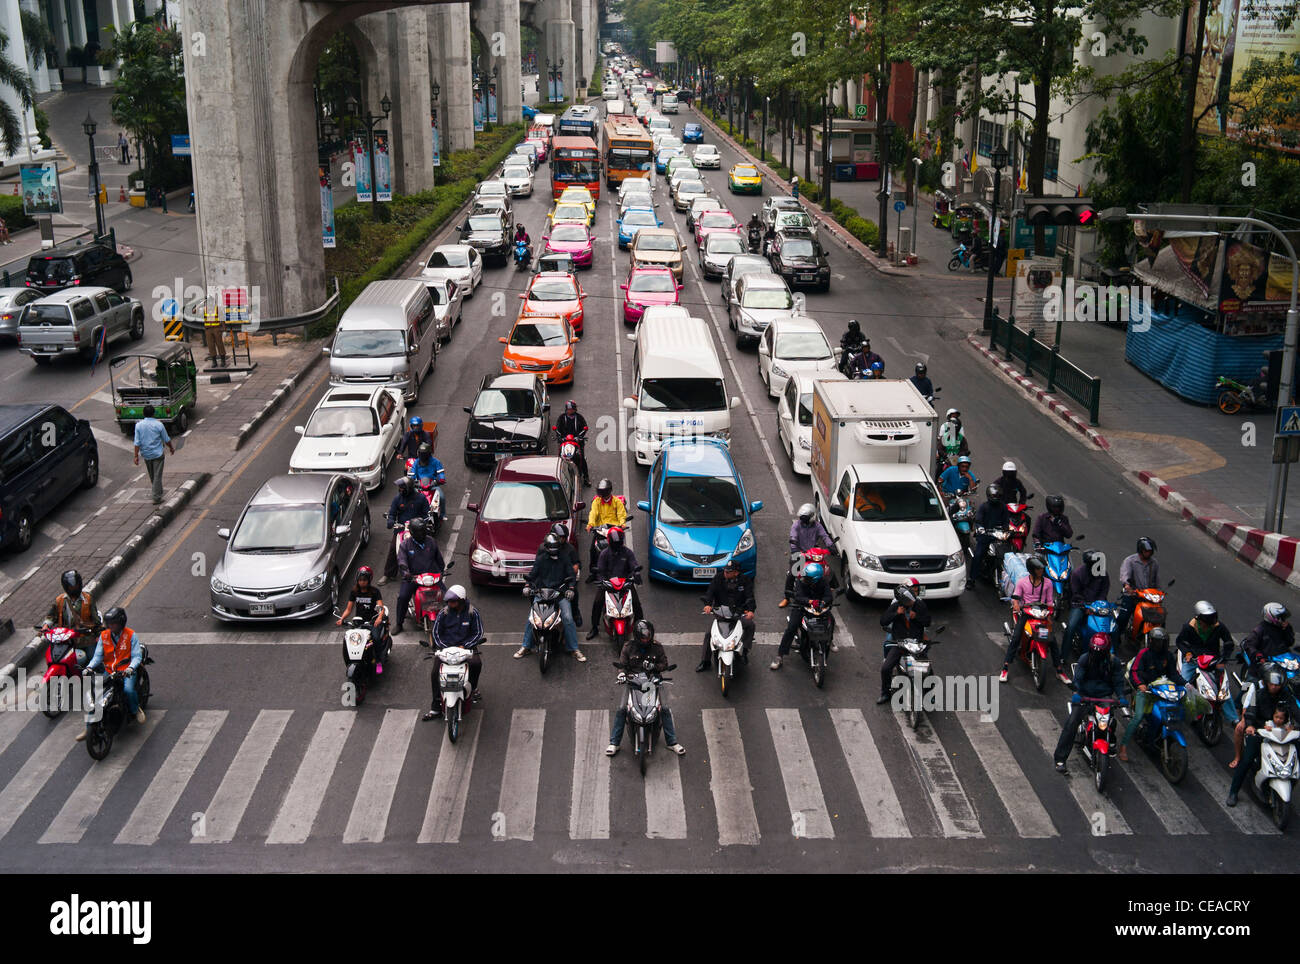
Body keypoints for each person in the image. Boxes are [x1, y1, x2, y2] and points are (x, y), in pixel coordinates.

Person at [607, 619, 684, 756]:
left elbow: (664, 664)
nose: (646, 639)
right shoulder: (628, 647)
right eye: (643, 637)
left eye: (648, 636)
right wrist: (622, 675)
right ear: (637, 636)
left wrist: (654, 667)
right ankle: (614, 743)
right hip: (633, 683)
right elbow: (622, 666)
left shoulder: (657, 647)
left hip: (652, 683)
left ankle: (672, 742)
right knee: (622, 709)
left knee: (664, 709)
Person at [1052, 633, 1127, 772]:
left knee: (1109, 720)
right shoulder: (1084, 659)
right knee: (1071, 723)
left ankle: (1110, 741)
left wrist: (1121, 696)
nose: (1096, 654)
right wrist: (1076, 693)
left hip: (1104, 696)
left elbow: (1118, 681)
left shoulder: (1114, 662)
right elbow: (1078, 680)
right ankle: (1060, 759)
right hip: (1085, 696)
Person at [1227, 666, 1300, 805]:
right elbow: (1250, 712)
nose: (1274, 687)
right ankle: (1233, 792)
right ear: (1266, 683)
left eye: (1277, 685)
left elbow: (1296, 712)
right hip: (1260, 732)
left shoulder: (1286, 696)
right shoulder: (1258, 694)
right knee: (1246, 760)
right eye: (1272, 684)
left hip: (1282, 734)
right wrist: (1250, 726)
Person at [74, 607, 144, 742]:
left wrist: (130, 668)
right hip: (110, 671)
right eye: (109, 623)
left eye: (114, 623)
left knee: (128, 690)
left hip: (126, 672)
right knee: (96, 697)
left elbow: (136, 656)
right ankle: (89, 726)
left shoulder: (131, 635)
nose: (111, 626)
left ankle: (135, 710)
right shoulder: (104, 635)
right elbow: (97, 656)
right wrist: (89, 667)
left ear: (121, 622)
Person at [515, 533, 585, 661]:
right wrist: (527, 586)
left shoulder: (564, 559)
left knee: (568, 618)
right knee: (532, 618)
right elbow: (533, 575)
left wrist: (570, 589)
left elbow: (571, 576)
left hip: (560, 594)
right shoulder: (541, 559)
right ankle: (526, 646)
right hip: (542, 593)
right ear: (546, 548)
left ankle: (574, 648)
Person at [1000, 555, 1067, 684]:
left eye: (1042, 569)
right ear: (1032, 569)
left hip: (1041, 614)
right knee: (1016, 638)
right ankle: (1005, 668)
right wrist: (1016, 606)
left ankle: (1059, 670)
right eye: (1039, 569)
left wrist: (1050, 616)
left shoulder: (1047, 583)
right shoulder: (1022, 582)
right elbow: (1016, 598)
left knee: (1052, 641)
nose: (1042, 571)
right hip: (1026, 613)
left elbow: (1049, 602)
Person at [1118, 626, 1179, 762]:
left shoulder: (1168, 656)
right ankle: (1123, 746)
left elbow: (1173, 674)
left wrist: (1185, 684)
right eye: (1157, 642)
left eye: (1162, 642)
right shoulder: (1144, 654)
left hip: (1162, 691)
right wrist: (1140, 685)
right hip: (1146, 691)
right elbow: (1134, 671)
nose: (1160, 645)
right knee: (1138, 716)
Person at [423, 585, 484, 720]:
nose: (450, 604)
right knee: (435, 673)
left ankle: (472, 689)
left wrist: (465, 646)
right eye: (449, 601)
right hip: (446, 650)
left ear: (462, 600)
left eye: (453, 601)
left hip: (466, 648)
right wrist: (444, 647)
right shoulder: (443, 613)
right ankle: (436, 706)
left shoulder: (472, 612)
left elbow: (478, 633)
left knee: (476, 664)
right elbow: (436, 633)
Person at [1175, 599, 1239, 726]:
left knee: (1223, 689)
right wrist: (1188, 653)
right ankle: (1178, 712)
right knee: (1183, 683)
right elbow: (1180, 641)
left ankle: (1233, 718)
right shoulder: (1189, 627)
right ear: (1199, 619)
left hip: (1214, 661)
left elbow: (1229, 643)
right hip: (1193, 660)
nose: (1208, 625)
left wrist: (1224, 659)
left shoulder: (1219, 626)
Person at [876, 584, 932, 703]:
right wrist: (896, 613)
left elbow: (927, 622)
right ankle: (885, 693)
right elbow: (883, 621)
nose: (911, 602)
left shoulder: (920, 605)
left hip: (916, 643)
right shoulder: (896, 606)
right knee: (886, 668)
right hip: (900, 644)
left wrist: (917, 617)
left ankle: (929, 694)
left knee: (927, 668)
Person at [773, 561, 834, 670]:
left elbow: (828, 596)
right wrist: (810, 601)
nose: (804, 578)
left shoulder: (823, 582)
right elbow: (798, 596)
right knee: (791, 628)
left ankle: (830, 642)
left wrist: (823, 602)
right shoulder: (802, 582)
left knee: (831, 621)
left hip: (818, 609)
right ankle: (780, 655)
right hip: (802, 607)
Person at [697, 558, 756, 671]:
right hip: (721, 614)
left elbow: (750, 597)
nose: (725, 573)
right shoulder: (718, 578)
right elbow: (710, 592)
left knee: (750, 625)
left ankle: (744, 652)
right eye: (725, 571)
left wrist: (750, 610)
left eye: (728, 572)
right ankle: (705, 661)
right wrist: (708, 604)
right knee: (709, 634)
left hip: (737, 614)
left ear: (736, 572)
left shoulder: (745, 580)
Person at [587, 526, 642, 638]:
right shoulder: (604, 554)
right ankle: (594, 627)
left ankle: (639, 626)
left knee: (636, 603)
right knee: (597, 603)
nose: (617, 545)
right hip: (608, 584)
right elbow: (600, 571)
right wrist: (602, 581)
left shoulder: (628, 553)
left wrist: (636, 574)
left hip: (625, 583)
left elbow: (634, 565)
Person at [394, 519, 445, 636]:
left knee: (447, 596)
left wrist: (442, 572)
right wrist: (406, 573)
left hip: (431, 577)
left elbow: (439, 560)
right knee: (403, 597)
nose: (421, 534)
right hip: (413, 578)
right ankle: (399, 623)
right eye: (418, 532)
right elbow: (402, 561)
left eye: (423, 531)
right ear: (412, 533)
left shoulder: (431, 542)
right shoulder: (405, 545)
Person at [336, 566, 389, 672]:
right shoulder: (354, 591)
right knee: (348, 640)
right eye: (360, 580)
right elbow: (348, 609)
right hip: (358, 622)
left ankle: (378, 661)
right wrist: (342, 618)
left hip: (372, 622)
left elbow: (381, 608)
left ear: (369, 580)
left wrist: (379, 618)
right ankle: (351, 660)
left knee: (376, 639)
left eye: (364, 580)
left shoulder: (375, 592)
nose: (362, 582)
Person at [782, 502, 833, 607]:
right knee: (793, 574)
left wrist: (831, 546)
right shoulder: (796, 525)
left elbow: (825, 536)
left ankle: (830, 590)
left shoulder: (817, 526)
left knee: (827, 570)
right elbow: (793, 538)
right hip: (800, 553)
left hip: (813, 553)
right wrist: (796, 550)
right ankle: (787, 597)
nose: (802, 520)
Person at [1063, 549, 1110, 662]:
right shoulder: (1077, 574)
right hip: (1080, 605)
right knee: (1072, 626)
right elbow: (1076, 594)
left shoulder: (1103, 574)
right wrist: (1085, 608)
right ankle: (1063, 656)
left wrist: (1098, 605)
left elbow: (1104, 591)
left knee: (1111, 626)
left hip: (1098, 605)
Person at [382, 477, 430, 585]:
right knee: (393, 549)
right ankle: (388, 574)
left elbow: (426, 514)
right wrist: (390, 521)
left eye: (402, 487)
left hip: (418, 529)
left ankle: (427, 572)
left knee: (427, 547)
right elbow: (392, 513)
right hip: (401, 529)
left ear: (408, 488)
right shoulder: (397, 499)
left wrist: (424, 522)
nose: (400, 489)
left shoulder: (421, 498)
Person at [1113, 536, 1159, 649]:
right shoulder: (1130, 561)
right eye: (1146, 551)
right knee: (1124, 617)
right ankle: (1115, 639)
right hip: (1132, 595)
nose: (1148, 553)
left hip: (1148, 596)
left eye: (1150, 551)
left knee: (1159, 616)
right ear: (1140, 550)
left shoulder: (1154, 563)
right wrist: (1127, 586)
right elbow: (1125, 576)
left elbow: (1156, 581)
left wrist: (1159, 593)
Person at [132, 405, 176, 506]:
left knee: (153, 475)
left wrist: (136, 456)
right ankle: (156, 497)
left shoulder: (138, 425)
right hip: (158, 454)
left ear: (143, 414)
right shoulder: (159, 425)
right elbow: (166, 439)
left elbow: (137, 442)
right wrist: (171, 448)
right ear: (153, 414)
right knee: (157, 476)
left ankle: (157, 492)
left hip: (146, 454)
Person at [585, 479, 628, 578]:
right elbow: (593, 513)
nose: (603, 495)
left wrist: (622, 523)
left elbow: (621, 514)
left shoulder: (617, 502)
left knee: (622, 550)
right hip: (600, 531)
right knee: (592, 550)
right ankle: (593, 573)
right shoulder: (597, 501)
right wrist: (590, 524)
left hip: (614, 531)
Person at [45, 569, 101, 645]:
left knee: (92, 655)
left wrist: (98, 635)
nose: (74, 588)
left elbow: (96, 620)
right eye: (71, 587)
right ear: (66, 587)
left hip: (86, 639)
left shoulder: (88, 599)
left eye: (76, 586)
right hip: (66, 640)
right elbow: (51, 616)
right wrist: (46, 625)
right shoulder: (60, 600)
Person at [970, 484, 1010, 585]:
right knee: (978, 555)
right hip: (985, 536)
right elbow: (978, 520)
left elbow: (1006, 522)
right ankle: (971, 579)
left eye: (997, 496)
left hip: (997, 536)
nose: (996, 498)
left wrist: (1006, 531)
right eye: (993, 496)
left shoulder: (1003, 507)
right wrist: (981, 528)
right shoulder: (984, 507)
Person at [555, 400, 591, 487]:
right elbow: (557, 429)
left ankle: (586, 477)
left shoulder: (579, 418)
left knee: (581, 457)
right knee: (560, 457)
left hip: (577, 442)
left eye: (571, 409)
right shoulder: (561, 418)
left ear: (575, 409)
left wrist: (579, 437)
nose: (570, 411)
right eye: (568, 409)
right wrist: (560, 437)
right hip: (565, 442)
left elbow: (584, 428)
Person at [409, 442, 447, 520]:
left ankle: (442, 515)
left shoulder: (436, 462)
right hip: (419, 485)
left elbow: (440, 472)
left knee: (442, 497)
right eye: (421, 454)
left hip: (433, 485)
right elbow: (412, 473)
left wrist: (441, 479)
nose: (422, 456)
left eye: (424, 454)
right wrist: (411, 480)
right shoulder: (416, 462)